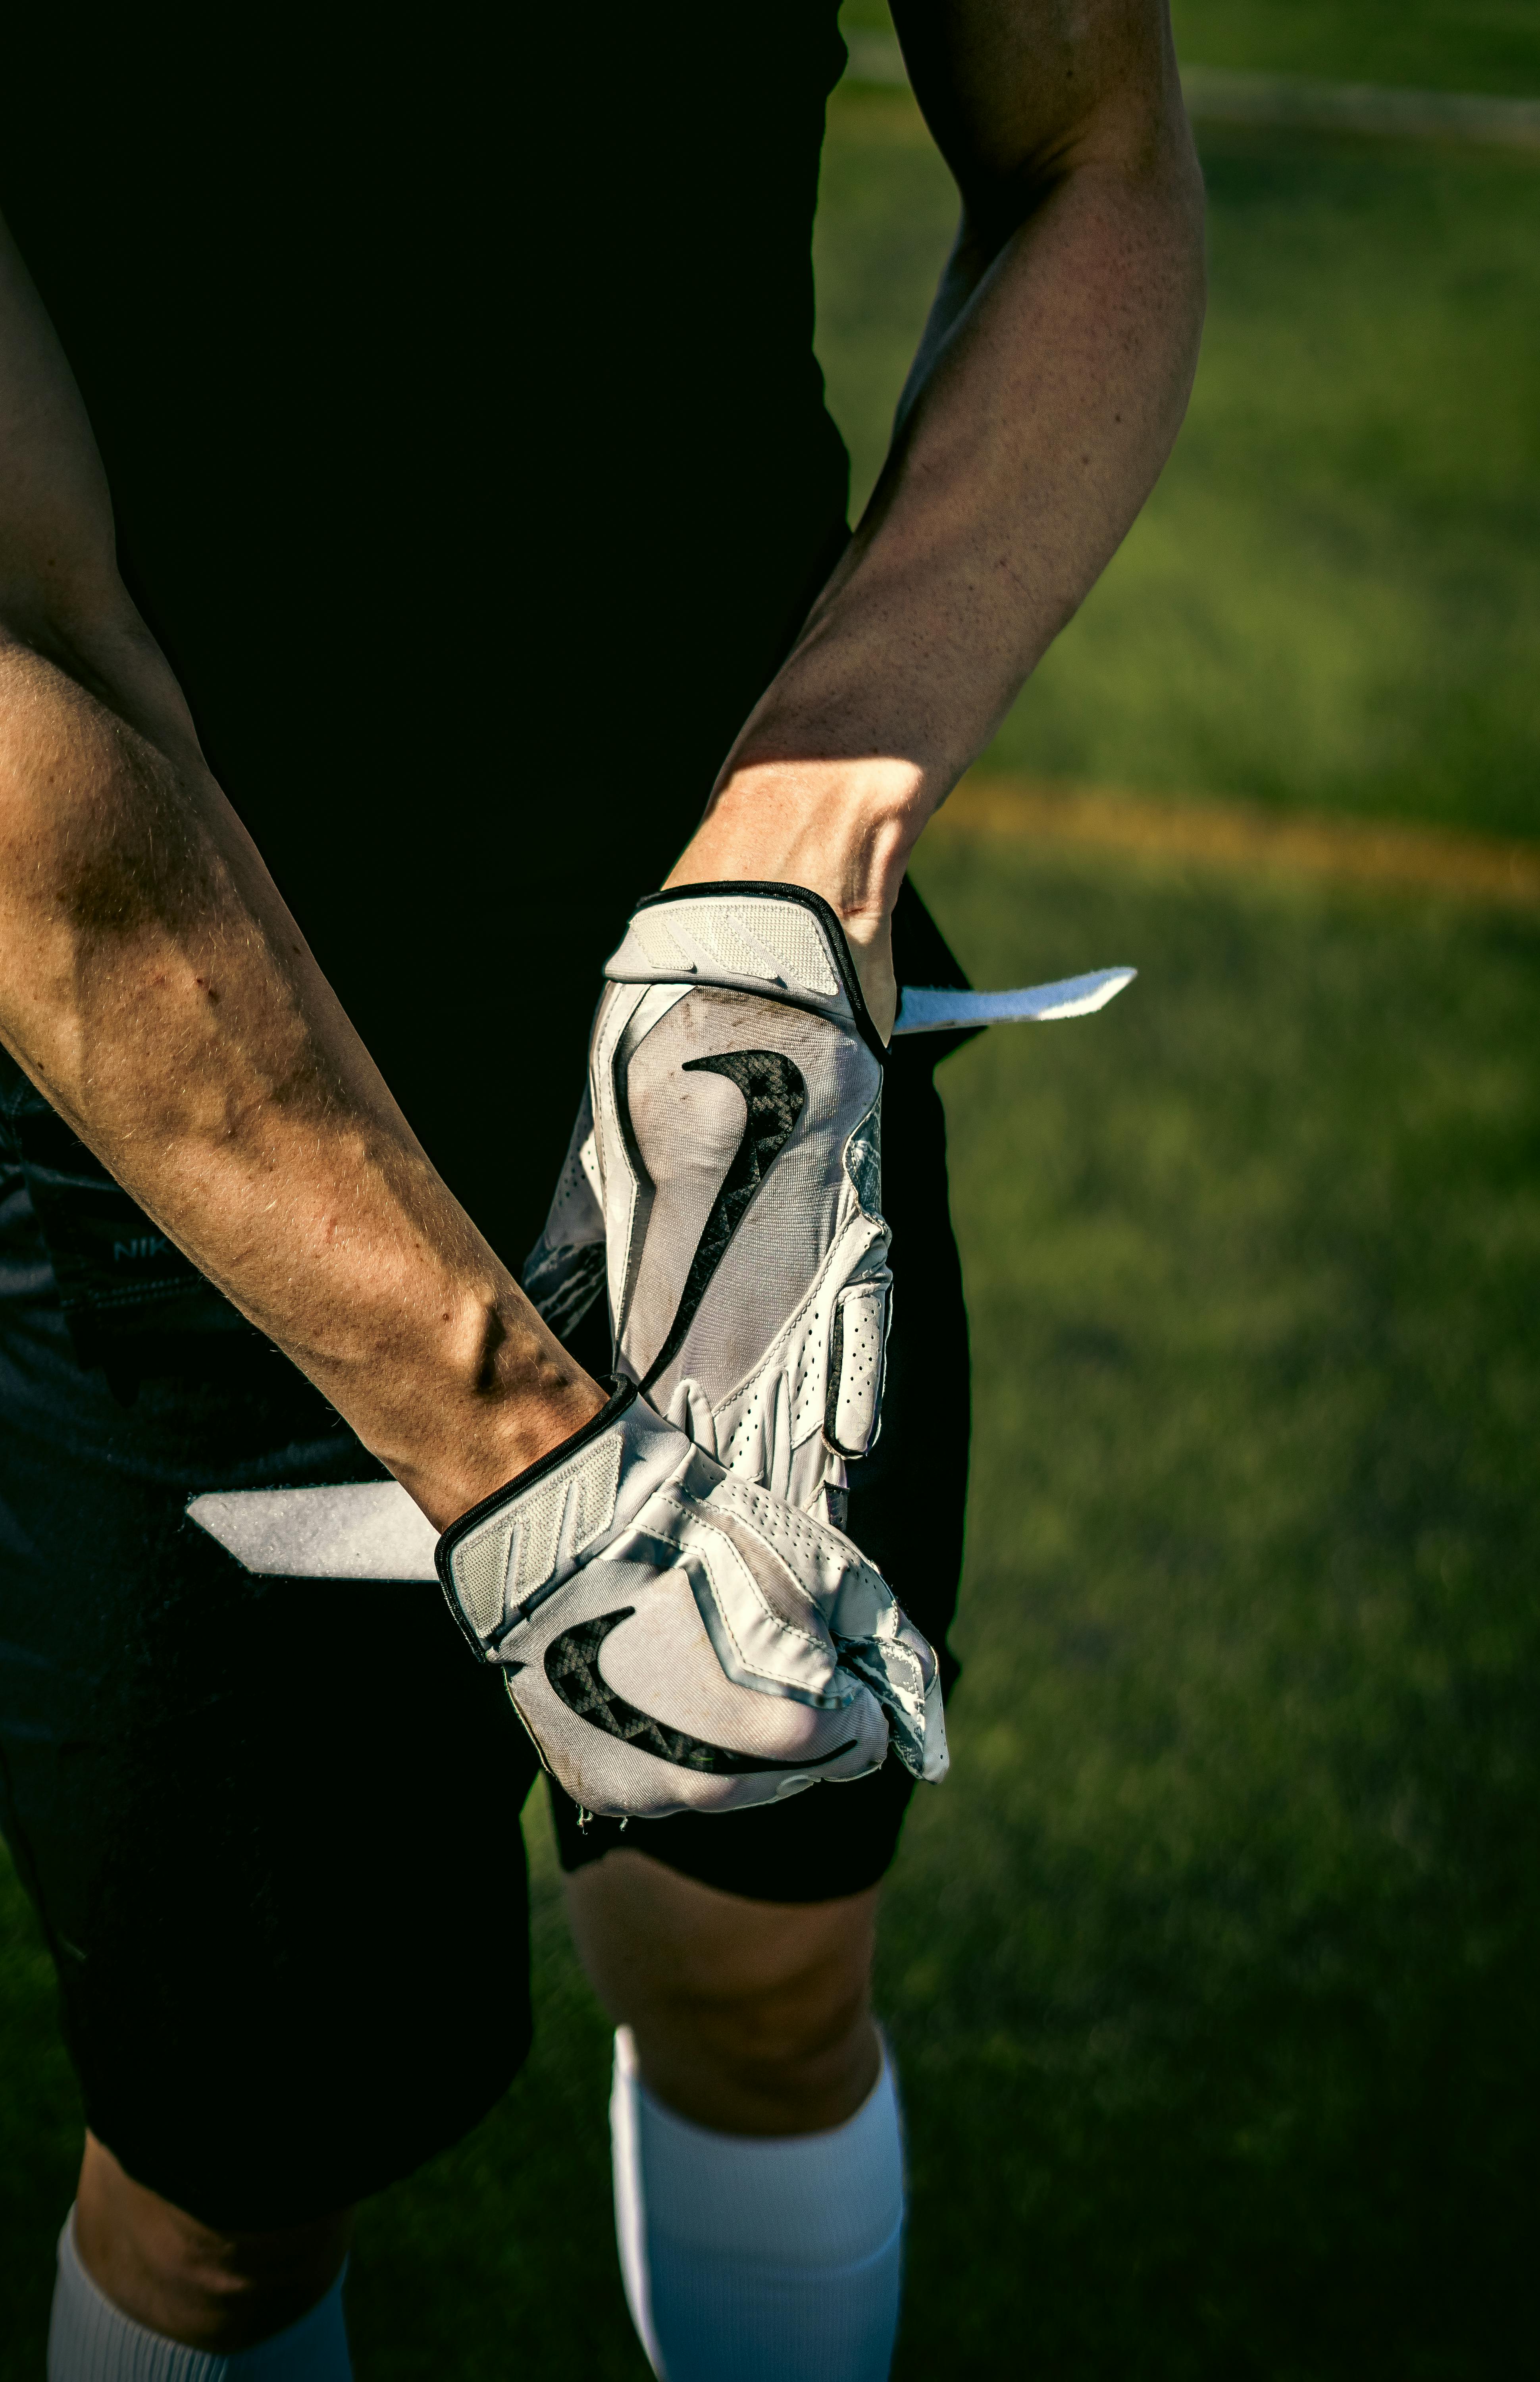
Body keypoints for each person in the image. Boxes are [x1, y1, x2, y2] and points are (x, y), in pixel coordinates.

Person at [0, 1, 1204, 2374]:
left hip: (751, 1062)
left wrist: (807, 817)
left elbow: (1091, 149)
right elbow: (26, 659)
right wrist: (524, 1463)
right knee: (234, 2193)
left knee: (765, 1980)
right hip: (176, 1126)